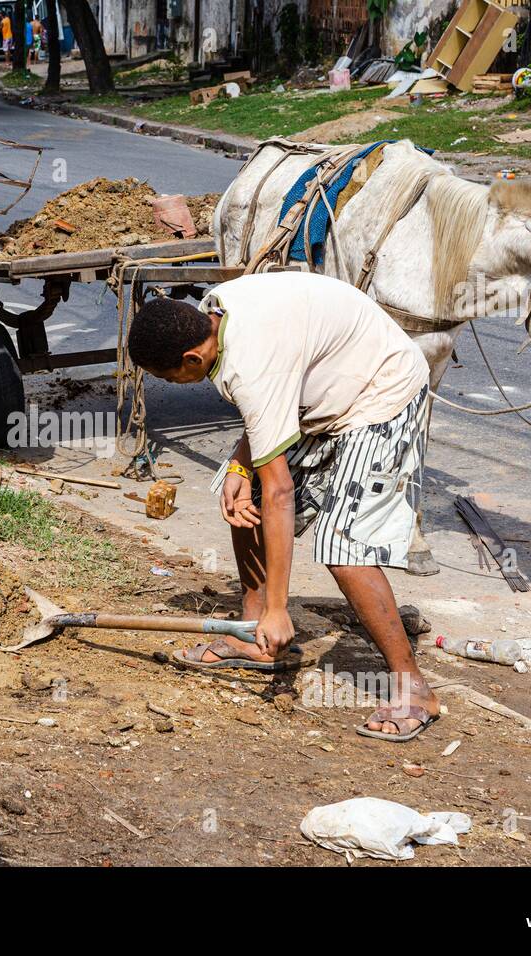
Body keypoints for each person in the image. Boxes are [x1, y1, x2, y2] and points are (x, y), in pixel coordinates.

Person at [125, 272, 440, 741]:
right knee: (240, 493)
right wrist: (236, 467)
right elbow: (268, 415)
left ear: (192, 357)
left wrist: (282, 607)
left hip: (381, 392)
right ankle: (257, 636)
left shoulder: (249, 365)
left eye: (168, 377)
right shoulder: (216, 311)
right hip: (324, 389)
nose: (173, 383)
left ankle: (413, 687)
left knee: (343, 549)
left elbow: (280, 493)